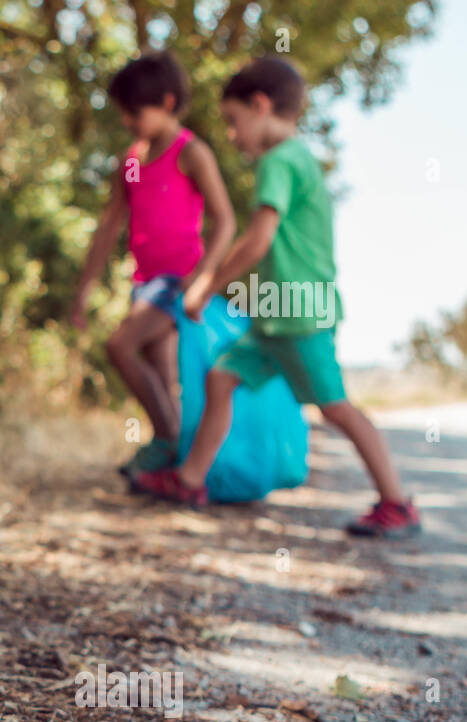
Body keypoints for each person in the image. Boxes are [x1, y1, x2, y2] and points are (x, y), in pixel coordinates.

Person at [132, 57, 421, 538]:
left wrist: (208, 283)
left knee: (335, 407)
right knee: (222, 378)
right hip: (274, 318)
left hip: (301, 317)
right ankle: (189, 481)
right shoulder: (298, 159)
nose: (230, 134)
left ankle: (396, 502)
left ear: (260, 106)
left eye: (233, 121)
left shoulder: (280, 161)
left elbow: (259, 240)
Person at [70, 50, 235, 478]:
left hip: (177, 282)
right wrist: (85, 286)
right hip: (144, 282)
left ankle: (167, 443)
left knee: (120, 345)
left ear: (165, 102)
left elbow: (226, 219)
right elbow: (111, 224)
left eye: (134, 112)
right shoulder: (131, 162)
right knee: (161, 376)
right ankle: (174, 463)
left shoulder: (191, 153)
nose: (127, 121)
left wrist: (202, 277)